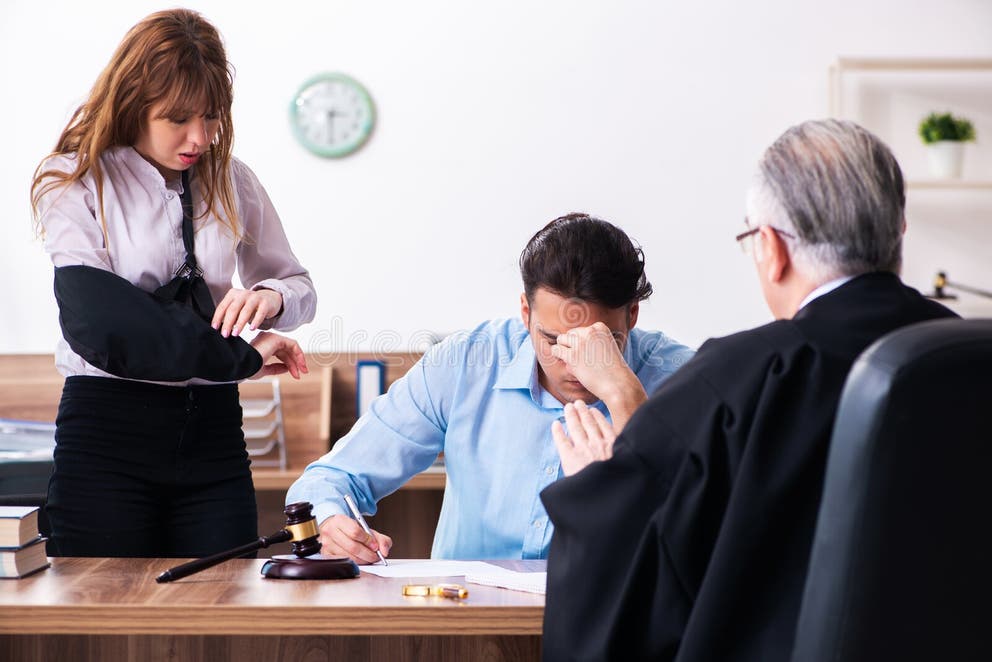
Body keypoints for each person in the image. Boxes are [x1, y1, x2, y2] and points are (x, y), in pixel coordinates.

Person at [540, 120, 958, 662]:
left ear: (770, 249)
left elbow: (637, 586)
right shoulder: (969, 359)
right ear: (898, 231)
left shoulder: (735, 381)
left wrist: (598, 492)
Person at [30, 9, 315, 558]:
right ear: (134, 102)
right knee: (99, 618)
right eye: (178, 119)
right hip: (106, 434)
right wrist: (244, 358)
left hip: (214, 437)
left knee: (224, 611)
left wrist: (270, 299)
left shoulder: (234, 180)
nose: (199, 137)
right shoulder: (72, 180)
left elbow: (298, 284)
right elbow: (105, 325)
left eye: (211, 118)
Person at [286, 213, 695, 563]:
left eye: (598, 344)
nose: (575, 364)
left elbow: (704, 526)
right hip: (467, 624)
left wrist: (626, 397)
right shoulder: (463, 364)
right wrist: (330, 521)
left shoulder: (681, 376)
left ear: (633, 316)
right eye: (553, 341)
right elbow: (328, 479)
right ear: (524, 312)